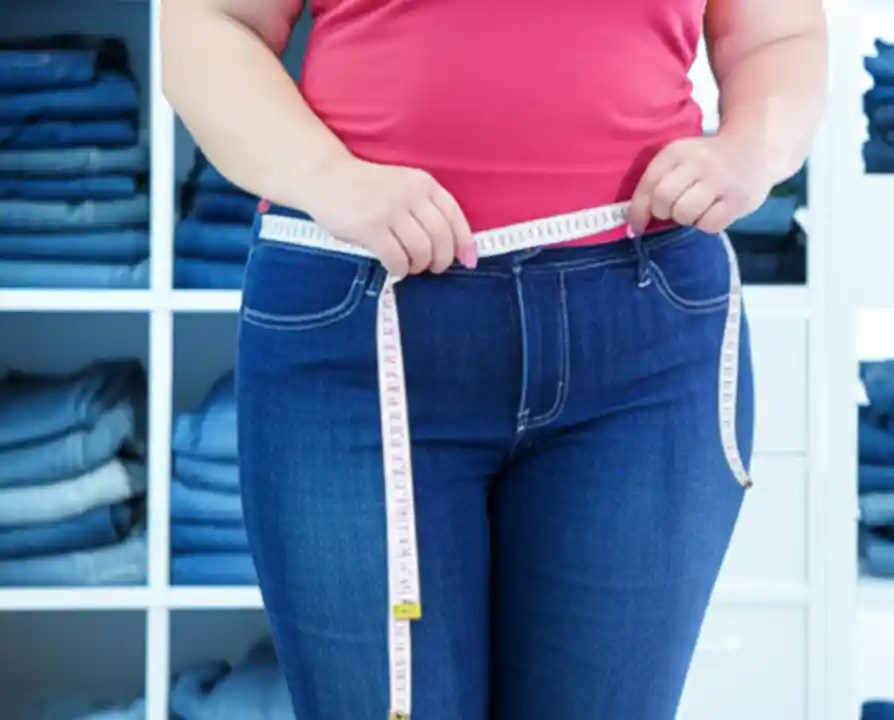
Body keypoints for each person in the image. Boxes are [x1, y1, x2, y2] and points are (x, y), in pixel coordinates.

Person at [160, 1, 825, 718]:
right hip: (361, 321)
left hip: (645, 347)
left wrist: (751, 147)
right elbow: (206, 23)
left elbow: (781, 35)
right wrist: (326, 178)